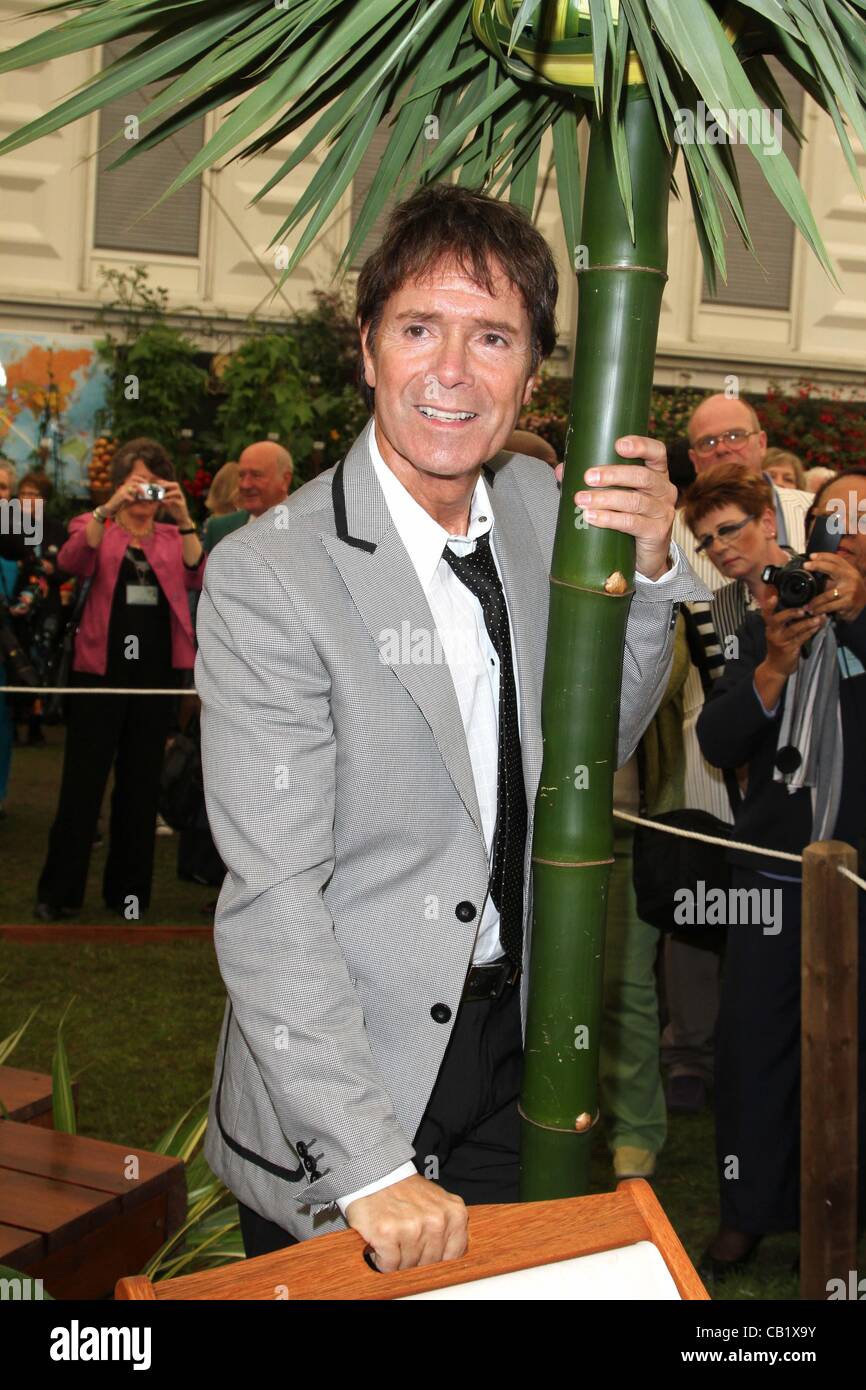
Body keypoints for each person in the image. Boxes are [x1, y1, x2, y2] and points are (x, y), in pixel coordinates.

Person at [195, 183, 708, 1269]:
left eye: (492, 338)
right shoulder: (270, 575)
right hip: (350, 1072)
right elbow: (273, 898)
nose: (452, 371)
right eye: (419, 328)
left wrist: (653, 574)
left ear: (532, 372)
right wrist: (367, 1165)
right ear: (367, 348)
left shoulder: (538, 505)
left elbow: (591, 751)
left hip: (519, 1048)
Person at [695, 466, 866, 1279]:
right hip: (771, 870)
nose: (721, 549)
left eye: (730, 530)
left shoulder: (849, 599)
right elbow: (720, 739)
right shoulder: (749, 616)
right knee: (754, 1043)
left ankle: (846, 1207)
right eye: (707, 540)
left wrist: (857, 612)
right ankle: (748, 1210)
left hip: (857, 871)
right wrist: (773, 663)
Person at [663, 393, 814, 1108]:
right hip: (729, 775)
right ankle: (694, 1058)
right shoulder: (702, 585)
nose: (722, 548)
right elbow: (715, 717)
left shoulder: (819, 545)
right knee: (712, 918)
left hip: (821, 802)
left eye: (733, 435)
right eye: (707, 442)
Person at [35, 437, 205, 920]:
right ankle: (59, 894)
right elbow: (70, 561)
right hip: (98, 674)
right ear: (118, 485)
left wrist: (183, 516)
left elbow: (199, 573)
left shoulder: (172, 537)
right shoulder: (94, 526)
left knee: (140, 786)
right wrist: (107, 508)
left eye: (153, 485)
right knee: (82, 783)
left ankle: (128, 896)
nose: (143, 495)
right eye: (136, 484)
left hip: (154, 679)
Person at [202, 443, 292, 551]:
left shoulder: (308, 528)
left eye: (256, 475)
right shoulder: (218, 529)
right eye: (241, 475)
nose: (245, 485)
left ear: (285, 480)